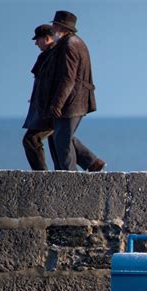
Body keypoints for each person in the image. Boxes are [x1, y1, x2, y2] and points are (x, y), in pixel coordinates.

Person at [42, 10, 105, 171]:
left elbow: (68, 78)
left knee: (62, 141)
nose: (53, 28)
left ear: (60, 27)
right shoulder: (70, 43)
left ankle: (69, 179)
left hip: (72, 101)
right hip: (73, 100)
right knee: (61, 137)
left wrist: (57, 104)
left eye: (54, 25)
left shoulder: (70, 45)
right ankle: (92, 163)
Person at [22, 24, 58, 170]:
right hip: (46, 107)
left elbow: (55, 82)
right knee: (59, 139)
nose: (36, 43)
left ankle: (41, 176)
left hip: (50, 109)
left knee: (31, 139)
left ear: (47, 38)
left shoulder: (54, 55)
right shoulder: (47, 56)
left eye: (38, 40)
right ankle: (92, 162)